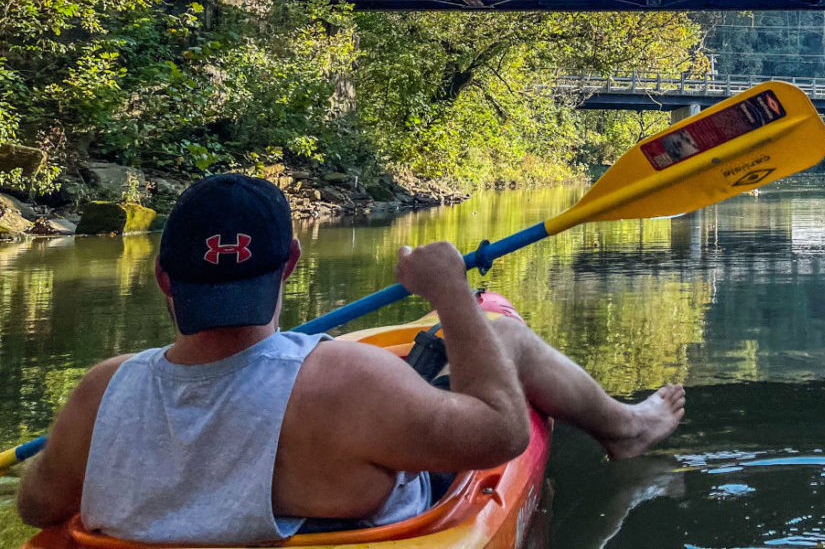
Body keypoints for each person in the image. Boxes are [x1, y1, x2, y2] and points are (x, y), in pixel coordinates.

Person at [16, 174, 685, 543]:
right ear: (292, 267)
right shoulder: (341, 379)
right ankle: (626, 429)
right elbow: (500, 435)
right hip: (350, 472)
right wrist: (452, 293)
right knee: (495, 335)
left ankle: (626, 426)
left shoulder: (104, 389)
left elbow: (39, 508)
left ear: (164, 280)